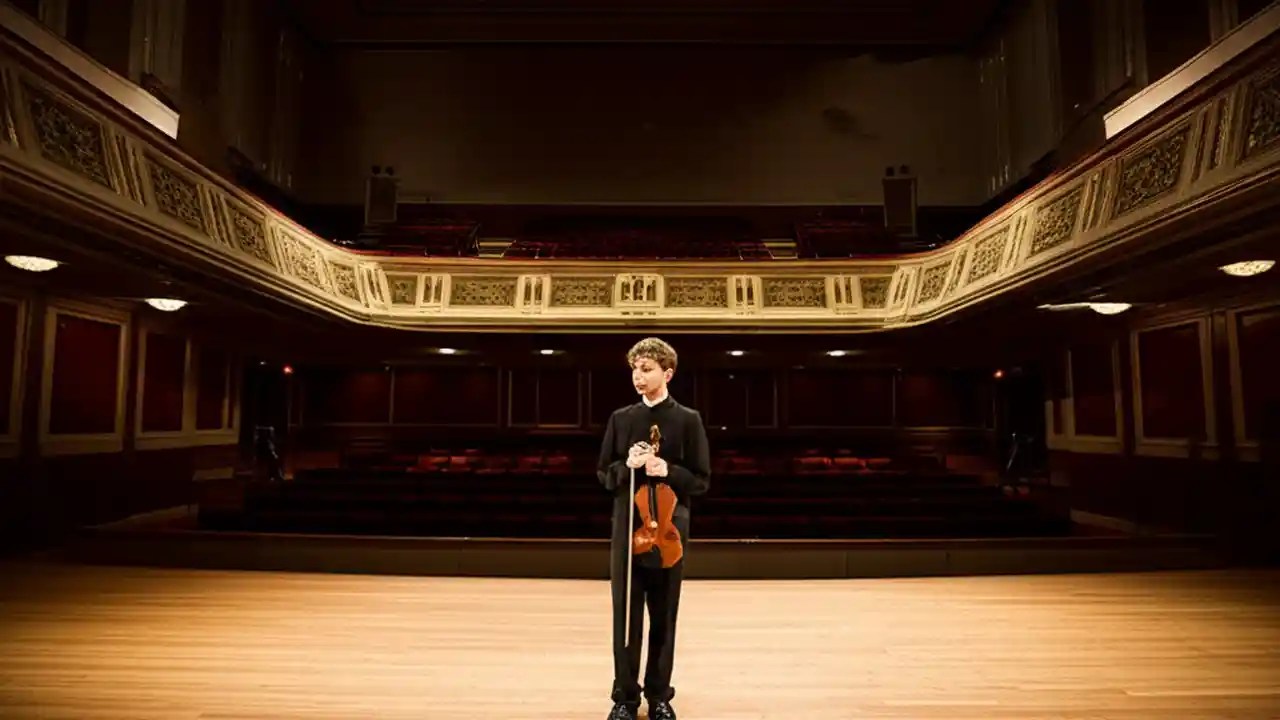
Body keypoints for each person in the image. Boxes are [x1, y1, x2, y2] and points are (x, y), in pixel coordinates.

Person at [597, 337, 711, 720]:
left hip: (669, 532)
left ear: (668, 372)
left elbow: (701, 480)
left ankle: (659, 695)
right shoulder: (622, 419)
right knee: (626, 618)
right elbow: (604, 474)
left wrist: (669, 471)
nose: (638, 376)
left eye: (646, 369)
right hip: (628, 530)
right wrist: (626, 465)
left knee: (664, 616)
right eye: (635, 369)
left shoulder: (688, 419)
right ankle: (625, 699)